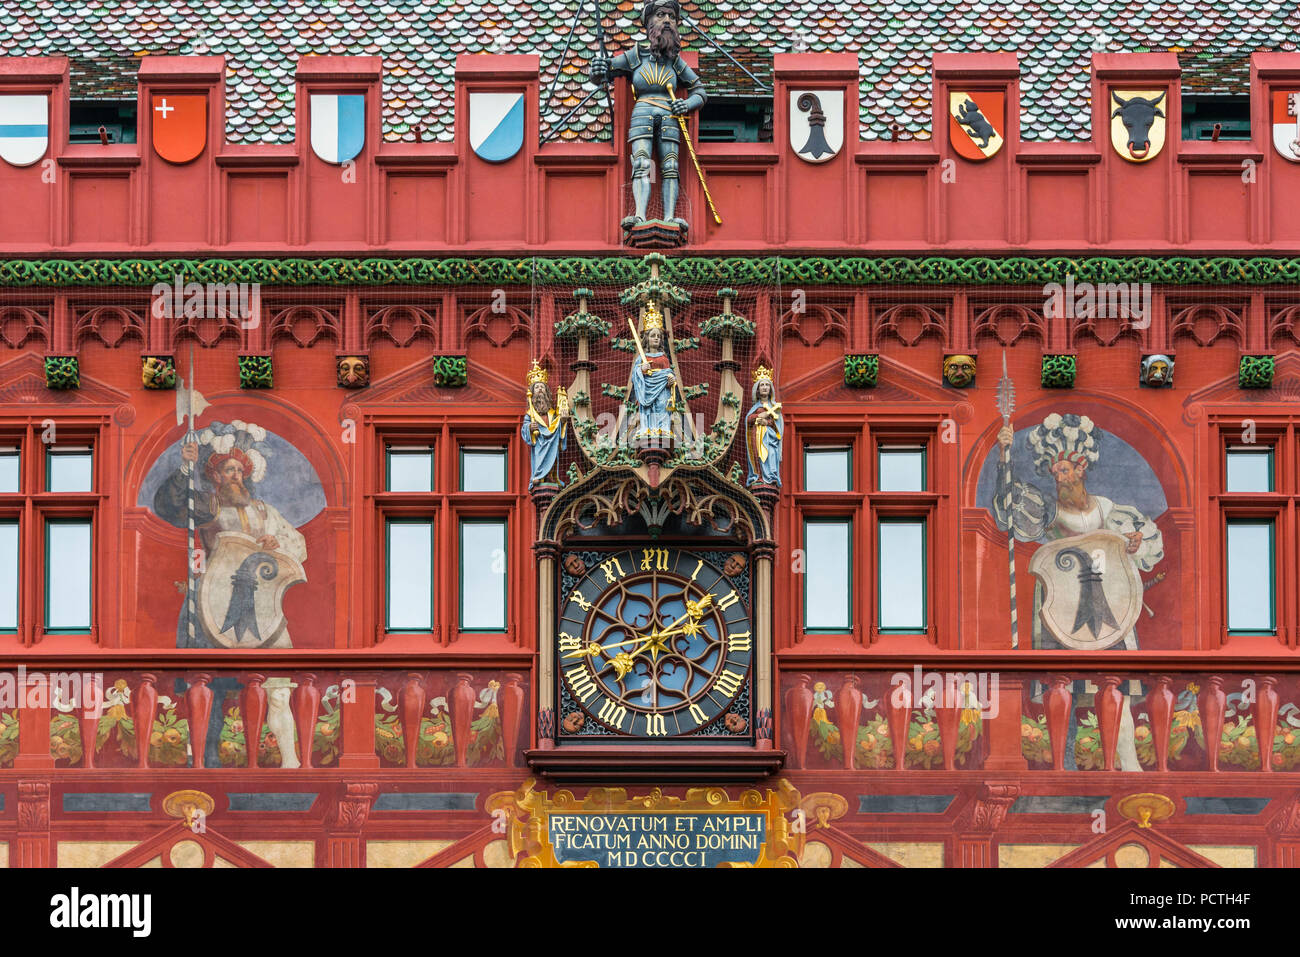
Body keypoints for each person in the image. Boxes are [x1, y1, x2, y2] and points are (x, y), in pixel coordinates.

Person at [994, 413, 1164, 771]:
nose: (1060, 478)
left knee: (1117, 685)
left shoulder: (1107, 509)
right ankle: (1064, 764)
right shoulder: (1048, 510)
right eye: (1055, 473)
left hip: (1110, 602)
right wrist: (1002, 460)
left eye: (1066, 471)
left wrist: (1134, 542)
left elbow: (1148, 543)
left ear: (1081, 469)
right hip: (1061, 605)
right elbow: (1010, 514)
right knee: (1063, 683)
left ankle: (1127, 762)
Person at [153, 438, 306, 649]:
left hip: (260, 593)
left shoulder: (264, 510)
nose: (236, 476)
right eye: (229, 470)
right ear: (216, 476)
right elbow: (169, 504)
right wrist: (186, 466)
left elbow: (298, 542)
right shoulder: (208, 506)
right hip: (216, 591)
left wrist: (276, 542)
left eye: (240, 471)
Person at [588, 0, 707, 230]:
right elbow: (606, 71)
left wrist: (686, 104)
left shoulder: (676, 63)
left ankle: (670, 217)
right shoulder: (635, 56)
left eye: (672, 17)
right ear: (648, 23)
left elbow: (700, 91)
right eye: (661, 15)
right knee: (641, 163)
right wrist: (598, 69)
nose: (667, 21)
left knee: (670, 166)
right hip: (641, 114)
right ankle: (640, 215)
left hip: (669, 116)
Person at [629, 306, 676, 439]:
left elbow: (669, 372)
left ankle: (663, 429)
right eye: (652, 336)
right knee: (648, 409)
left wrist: (671, 379)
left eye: (658, 336)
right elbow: (634, 377)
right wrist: (641, 370)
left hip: (662, 390)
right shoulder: (641, 358)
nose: (656, 338)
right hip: (646, 390)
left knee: (661, 406)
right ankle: (647, 428)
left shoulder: (663, 357)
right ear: (647, 338)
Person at [521, 361, 568, 488]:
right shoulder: (530, 415)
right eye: (537, 387)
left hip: (552, 442)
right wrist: (529, 428)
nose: (540, 389)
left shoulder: (552, 413)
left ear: (546, 391)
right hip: (539, 444)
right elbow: (524, 428)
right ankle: (538, 476)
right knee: (539, 457)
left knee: (553, 459)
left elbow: (558, 426)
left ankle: (552, 477)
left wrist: (562, 421)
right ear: (532, 392)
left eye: (542, 387)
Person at [744, 365, 783, 486]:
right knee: (758, 456)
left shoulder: (775, 407)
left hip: (770, 438)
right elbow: (748, 419)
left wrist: (767, 423)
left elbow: (778, 425)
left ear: (770, 388)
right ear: (757, 389)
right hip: (757, 436)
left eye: (767, 385)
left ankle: (770, 477)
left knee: (770, 454)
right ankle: (759, 476)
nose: (764, 387)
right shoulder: (755, 408)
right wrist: (758, 417)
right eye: (762, 385)